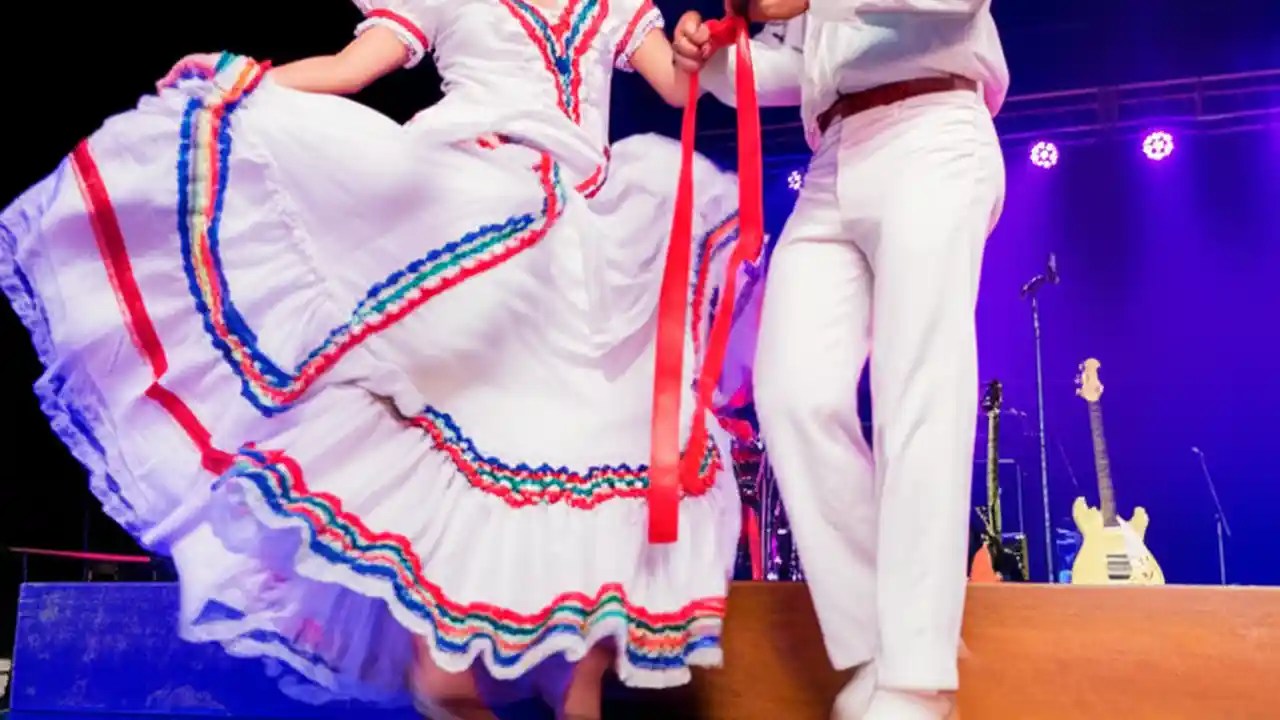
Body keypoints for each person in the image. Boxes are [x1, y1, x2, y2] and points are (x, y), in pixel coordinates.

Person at [0, 1, 747, 718]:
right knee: (458, 422)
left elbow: (682, 86)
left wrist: (703, 40)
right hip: (472, 214)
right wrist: (242, 83)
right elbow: (347, 69)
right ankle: (446, 662)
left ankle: (572, 676)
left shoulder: (612, 5)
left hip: (588, 240)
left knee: (595, 435)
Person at [674, 1, 1007, 718]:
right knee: (793, 393)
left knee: (916, 390)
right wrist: (715, 61)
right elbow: (806, 63)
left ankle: (917, 679)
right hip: (832, 153)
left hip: (934, 126)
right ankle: (878, 645)